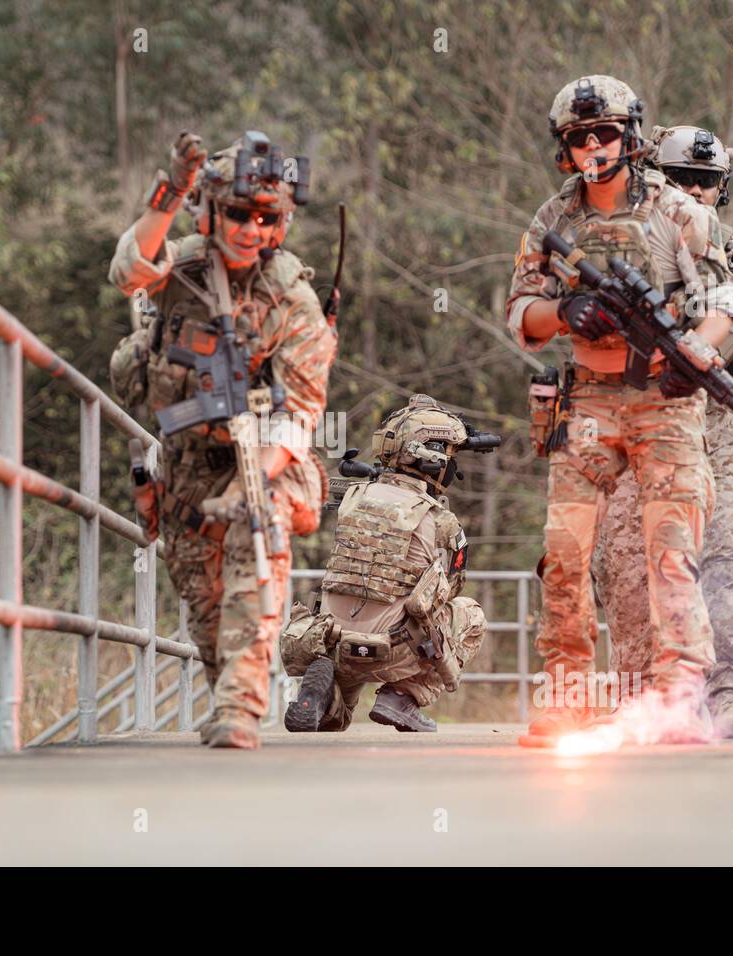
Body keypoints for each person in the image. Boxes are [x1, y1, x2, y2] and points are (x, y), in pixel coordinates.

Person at [506, 76, 733, 746]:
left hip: (666, 402)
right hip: (589, 398)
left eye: (604, 132)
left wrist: (695, 350)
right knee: (565, 549)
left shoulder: (678, 212)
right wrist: (568, 312)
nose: (592, 147)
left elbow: (729, 297)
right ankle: (568, 691)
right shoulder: (552, 219)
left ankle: (680, 696)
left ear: (631, 136)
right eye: (578, 137)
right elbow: (520, 311)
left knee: (671, 551)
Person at [108, 130, 337, 749]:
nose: (250, 229)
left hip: (264, 454)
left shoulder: (291, 296)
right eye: (238, 213)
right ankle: (226, 699)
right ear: (209, 211)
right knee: (205, 609)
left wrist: (256, 479)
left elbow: (303, 409)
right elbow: (128, 269)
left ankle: (240, 711)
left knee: (252, 558)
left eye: (267, 218)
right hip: (185, 461)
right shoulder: (183, 262)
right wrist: (172, 186)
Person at [591, 125, 733, 739]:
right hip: (637, 422)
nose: (695, 190)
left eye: (708, 181)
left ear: (723, 187)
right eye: (682, 178)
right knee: (630, 560)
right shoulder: (630, 234)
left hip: (715, 425)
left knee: (728, 558)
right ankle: (645, 700)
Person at [280, 395, 489, 733]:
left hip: (333, 642)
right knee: (470, 614)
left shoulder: (353, 498)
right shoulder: (441, 520)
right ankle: (402, 696)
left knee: (335, 721)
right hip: (393, 650)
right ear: (433, 460)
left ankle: (320, 695)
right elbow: (453, 587)